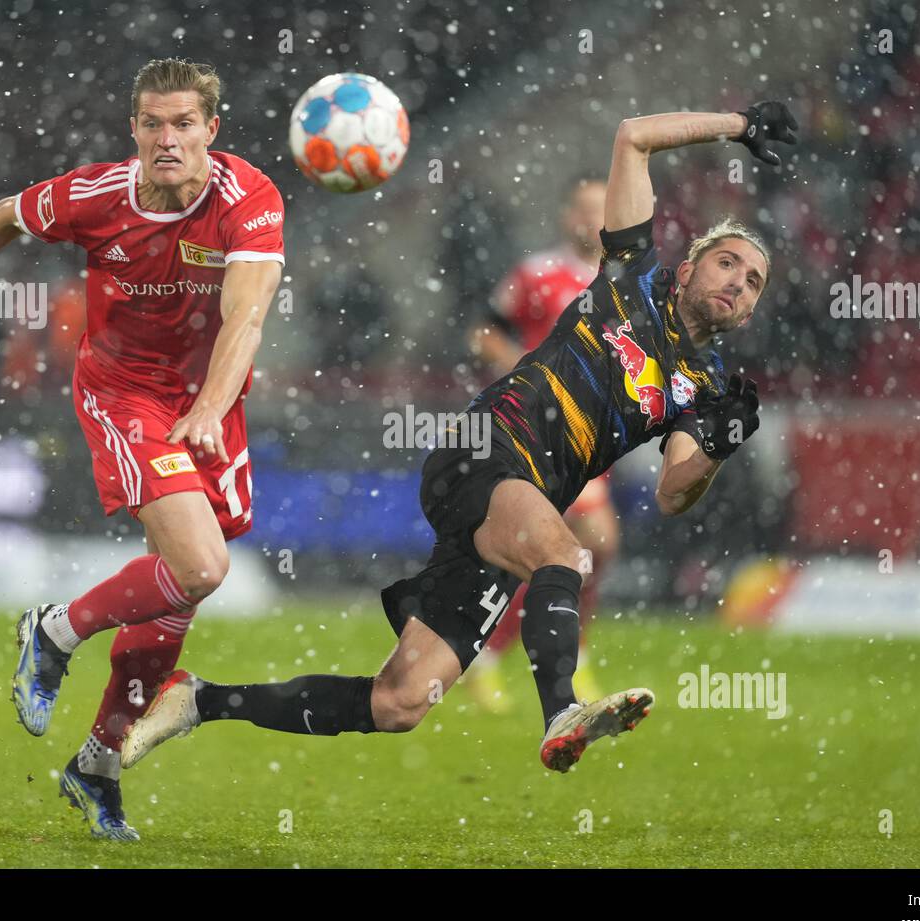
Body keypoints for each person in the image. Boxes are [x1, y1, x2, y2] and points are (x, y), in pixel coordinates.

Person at [121, 101, 796, 780]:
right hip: (485, 450)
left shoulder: (704, 388)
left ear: (751, 310)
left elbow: (675, 492)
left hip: (518, 501)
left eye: (752, 283)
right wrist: (737, 125)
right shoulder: (632, 271)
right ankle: (561, 709)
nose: (737, 283)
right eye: (728, 264)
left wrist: (718, 443)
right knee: (568, 552)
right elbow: (634, 137)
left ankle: (198, 701)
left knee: (400, 702)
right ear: (688, 269)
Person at [0, 59, 285, 839]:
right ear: (135, 130)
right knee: (202, 568)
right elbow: (11, 213)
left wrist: (213, 408)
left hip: (209, 401)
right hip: (125, 393)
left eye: (184, 123)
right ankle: (56, 630)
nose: (167, 138)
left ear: (212, 131)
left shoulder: (248, 201)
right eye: (152, 123)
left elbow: (246, 318)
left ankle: (100, 760)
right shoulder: (98, 195)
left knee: (183, 592)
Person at [465, 175, 620, 711]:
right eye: (581, 209)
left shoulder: (623, 283)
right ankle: (560, 658)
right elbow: (483, 333)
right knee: (587, 544)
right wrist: (528, 375)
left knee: (579, 550)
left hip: (591, 432)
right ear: (566, 217)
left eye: (601, 211)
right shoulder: (535, 275)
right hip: (537, 429)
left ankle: (493, 654)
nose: (590, 220)